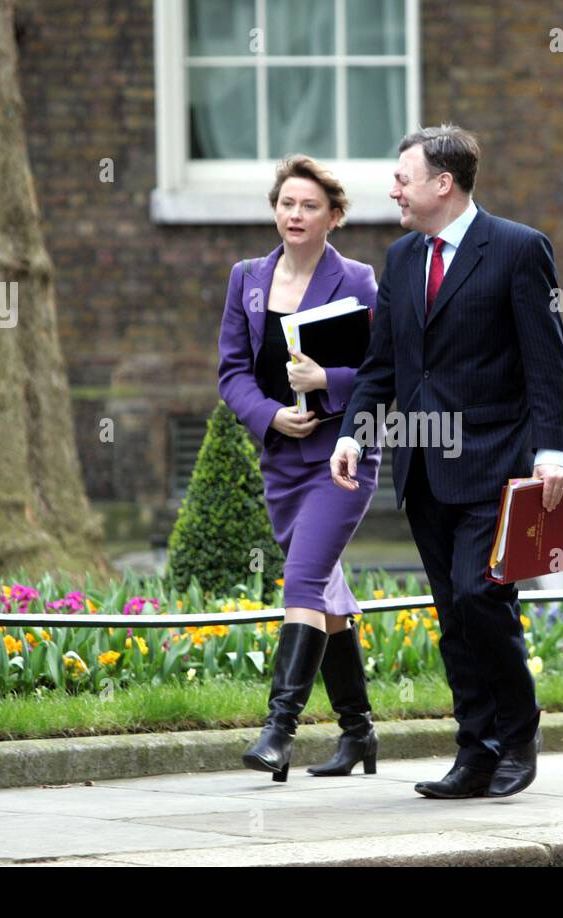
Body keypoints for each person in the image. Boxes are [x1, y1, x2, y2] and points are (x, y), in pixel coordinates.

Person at [331, 124, 563, 799]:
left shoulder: (519, 250)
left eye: (403, 177)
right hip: (423, 469)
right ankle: (476, 748)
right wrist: (353, 434)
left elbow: (546, 366)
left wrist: (551, 453)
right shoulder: (403, 258)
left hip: (497, 466)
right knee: (453, 613)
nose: (393, 189)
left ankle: (518, 734)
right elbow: (383, 366)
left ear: (444, 182)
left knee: (481, 595)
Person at [217, 155, 384, 782]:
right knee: (325, 592)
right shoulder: (247, 279)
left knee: (303, 580)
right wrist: (268, 417)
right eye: (287, 202)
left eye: (309, 205)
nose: (295, 214)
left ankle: (278, 731)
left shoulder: (361, 281)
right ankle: (359, 734)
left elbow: (381, 372)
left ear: (333, 217)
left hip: (343, 459)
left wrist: (327, 381)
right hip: (281, 458)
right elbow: (231, 372)